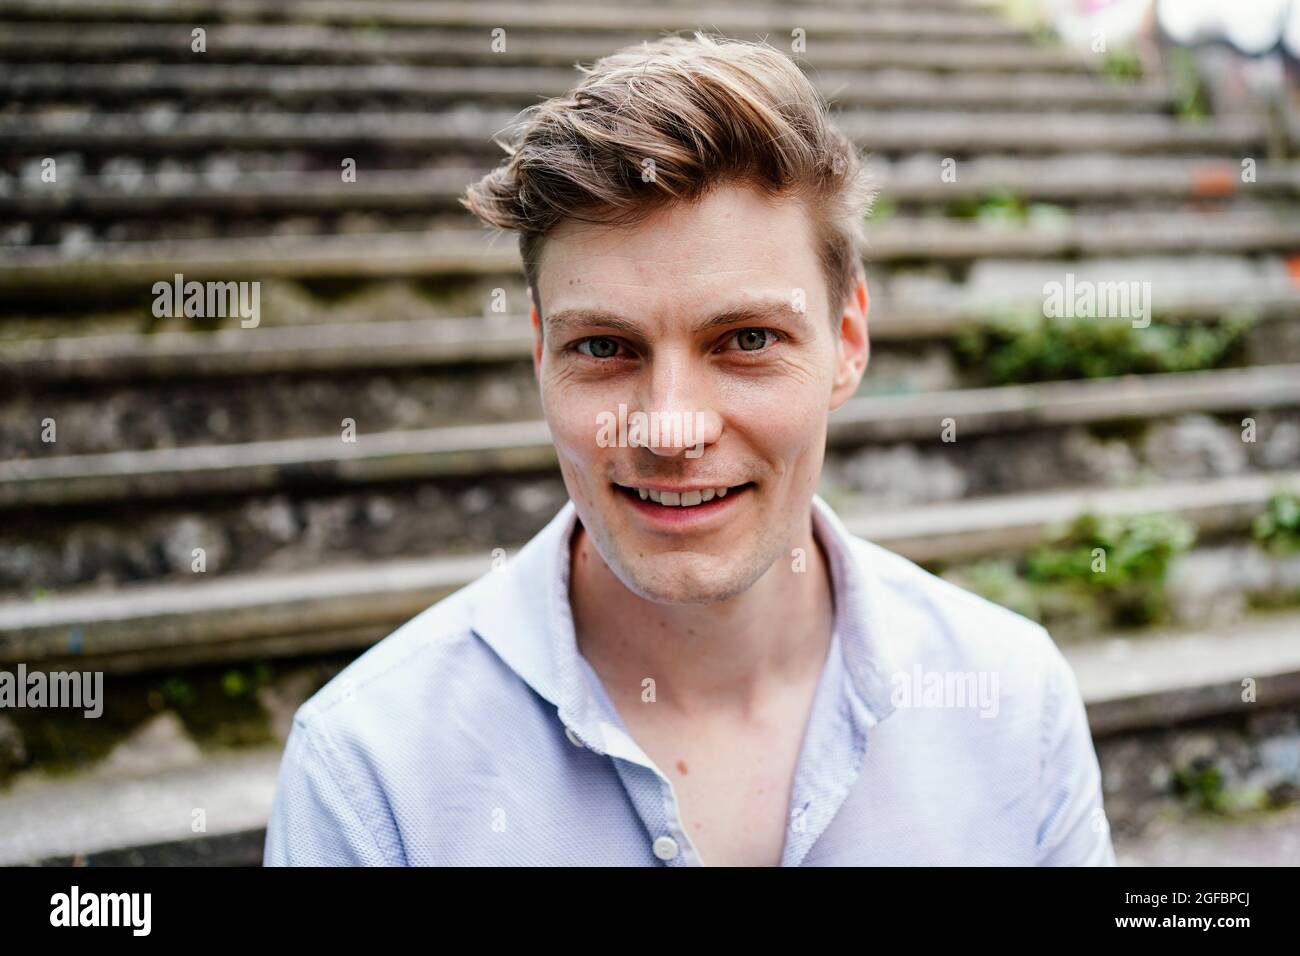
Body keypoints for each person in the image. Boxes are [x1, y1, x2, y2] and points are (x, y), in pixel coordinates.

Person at [264, 34, 1116, 866]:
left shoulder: (1013, 700)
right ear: (539, 355)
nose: (670, 430)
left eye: (746, 338)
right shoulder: (369, 775)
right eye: (603, 347)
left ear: (848, 340)